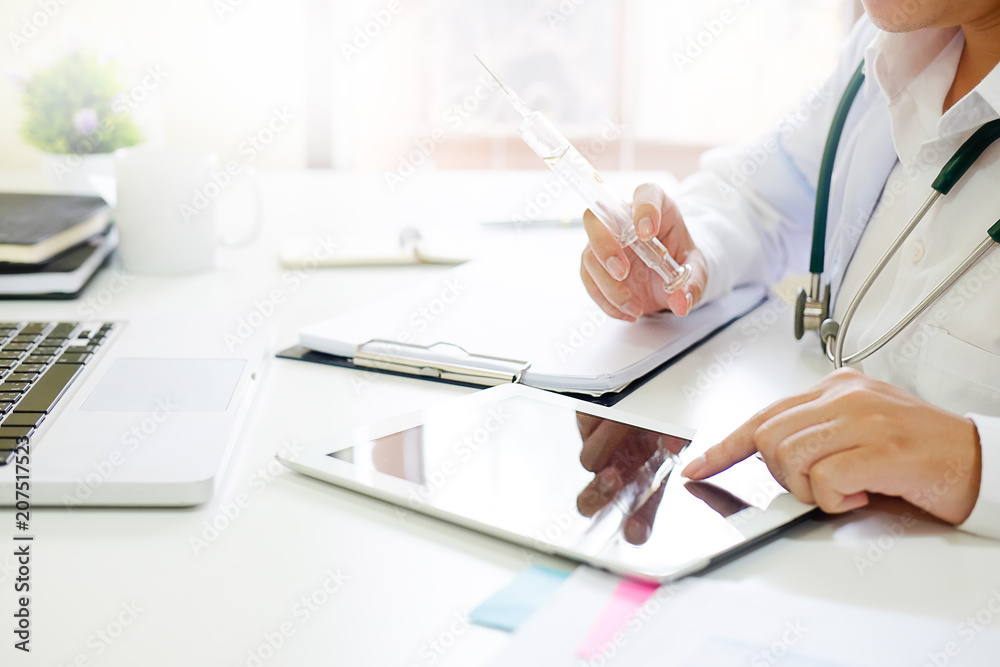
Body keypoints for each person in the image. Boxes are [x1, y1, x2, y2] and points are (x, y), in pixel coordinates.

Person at [578, 1, 1000, 538]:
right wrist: (686, 257)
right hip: (811, 523)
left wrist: (970, 459)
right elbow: (760, 199)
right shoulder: (890, 51)